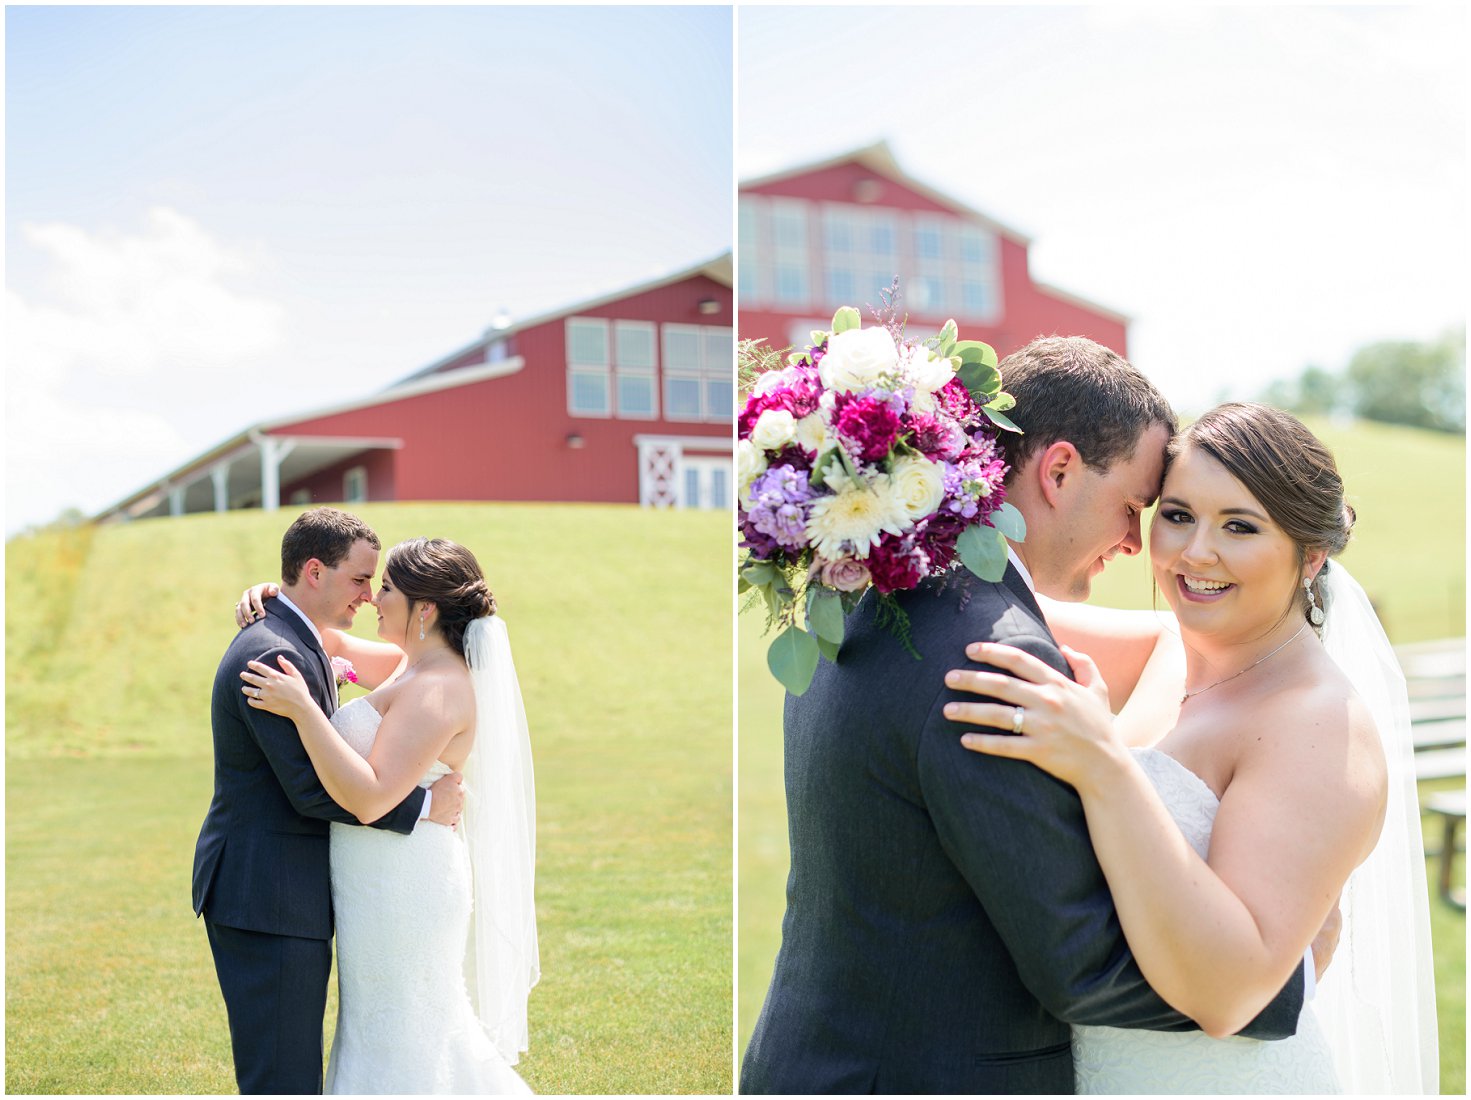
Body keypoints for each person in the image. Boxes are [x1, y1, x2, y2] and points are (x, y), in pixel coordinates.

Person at [740, 338, 1326, 1095]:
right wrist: (1282, 978)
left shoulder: (865, 590)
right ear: (1057, 472)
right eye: (1136, 508)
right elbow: (1080, 963)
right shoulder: (995, 654)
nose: (1132, 541)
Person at [948, 402, 1437, 1093]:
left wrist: (1103, 767)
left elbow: (1228, 994)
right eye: (1176, 515)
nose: (1192, 552)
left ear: (1312, 555)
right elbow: (971, 601)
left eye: (1238, 526)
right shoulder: (1166, 647)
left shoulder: (1320, 725)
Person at [235, 534, 538, 1094]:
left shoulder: (440, 689)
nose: (374, 597)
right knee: (377, 1028)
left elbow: (372, 797)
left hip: (403, 887)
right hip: (373, 884)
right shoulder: (410, 663)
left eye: (389, 588)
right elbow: (319, 631)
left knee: (407, 1033)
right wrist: (270, 594)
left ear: (425, 609)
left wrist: (305, 710)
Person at [192, 508, 467, 1094]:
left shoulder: (315, 642)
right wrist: (422, 809)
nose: (369, 597)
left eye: (379, 584)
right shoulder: (272, 655)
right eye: (362, 579)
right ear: (314, 572)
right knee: (284, 1078)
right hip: (267, 895)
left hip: (308, 893)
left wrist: (276, 593)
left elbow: (372, 663)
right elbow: (313, 790)